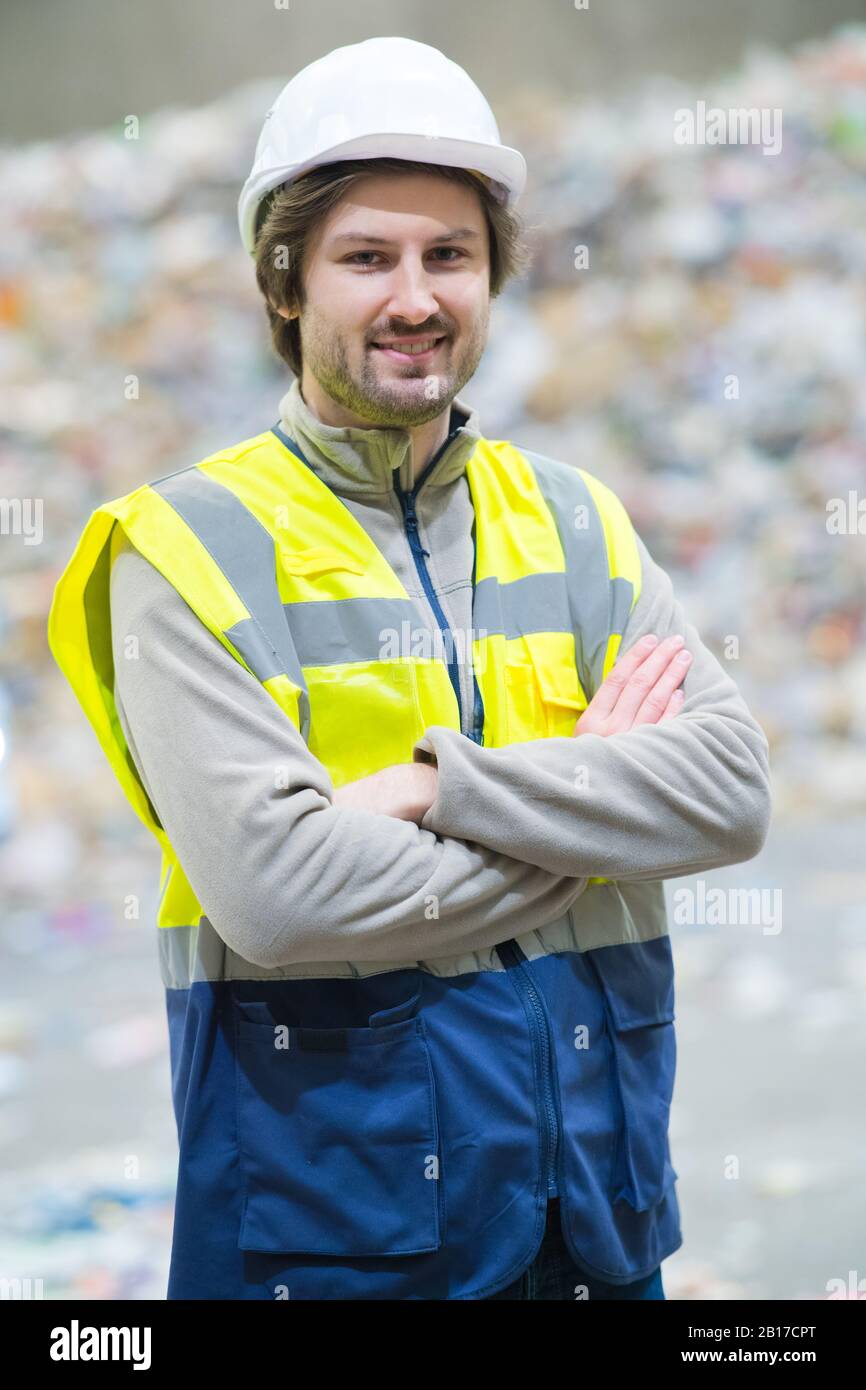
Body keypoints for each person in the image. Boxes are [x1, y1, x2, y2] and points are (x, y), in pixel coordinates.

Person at [47, 36, 772, 1301]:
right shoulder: (183, 550)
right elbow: (282, 895)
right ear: (284, 283)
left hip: (595, 1222)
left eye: (449, 255)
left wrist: (442, 788)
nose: (414, 297)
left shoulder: (573, 519)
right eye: (365, 258)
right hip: (332, 1236)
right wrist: (596, 798)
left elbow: (729, 793)